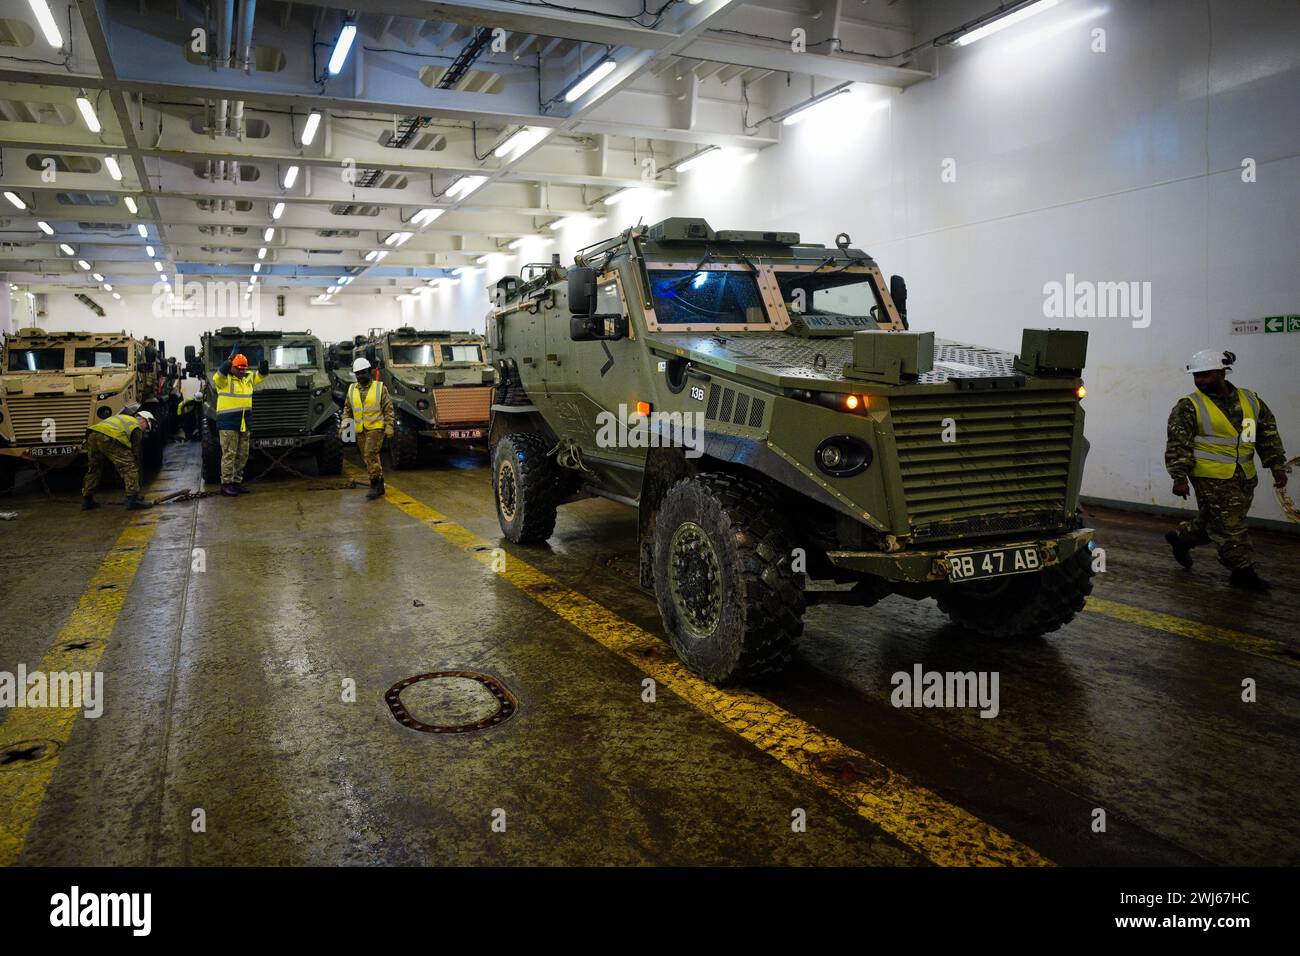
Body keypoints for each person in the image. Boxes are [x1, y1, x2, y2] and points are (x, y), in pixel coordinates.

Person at [1164, 349, 1288, 591]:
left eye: (1205, 375)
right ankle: (1243, 572)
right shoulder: (1189, 406)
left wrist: (1276, 465)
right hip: (1209, 476)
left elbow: (1265, 435)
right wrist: (1179, 476)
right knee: (1230, 526)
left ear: (1222, 373)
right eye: (1196, 376)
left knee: (1217, 521)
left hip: (1244, 475)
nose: (1199, 381)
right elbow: (1178, 443)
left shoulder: (1250, 400)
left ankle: (1182, 539)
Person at [211, 347, 268, 497]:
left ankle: (237, 482)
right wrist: (229, 359)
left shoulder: (248, 378)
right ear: (232, 367)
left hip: (244, 422)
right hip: (228, 423)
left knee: (242, 454)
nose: (242, 371)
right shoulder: (223, 380)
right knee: (229, 454)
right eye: (239, 368)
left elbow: (263, 374)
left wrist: (262, 361)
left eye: (244, 368)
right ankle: (226, 484)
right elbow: (219, 374)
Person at [82, 410, 155, 511]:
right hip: (108, 437)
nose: (144, 431)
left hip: (92, 435)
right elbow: (136, 452)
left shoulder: (123, 418)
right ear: (144, 421)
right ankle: (132, 500)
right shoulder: (136, 426)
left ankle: (87, 500)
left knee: (94, 468)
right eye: (146, 428)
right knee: (130, 466)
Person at [344, 357, 394, 499]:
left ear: (369, 372)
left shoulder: (379, 388)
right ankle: (380, 482)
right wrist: (345, 426)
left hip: (376, 428)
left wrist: (389, 427)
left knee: (369, 454)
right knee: (369, 458)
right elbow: (347, 409)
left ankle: (375, 485)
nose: (360, 376)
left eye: (363, 373)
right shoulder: (352, 389)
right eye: (357, 374)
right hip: (360, 429)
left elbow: (388, 409)